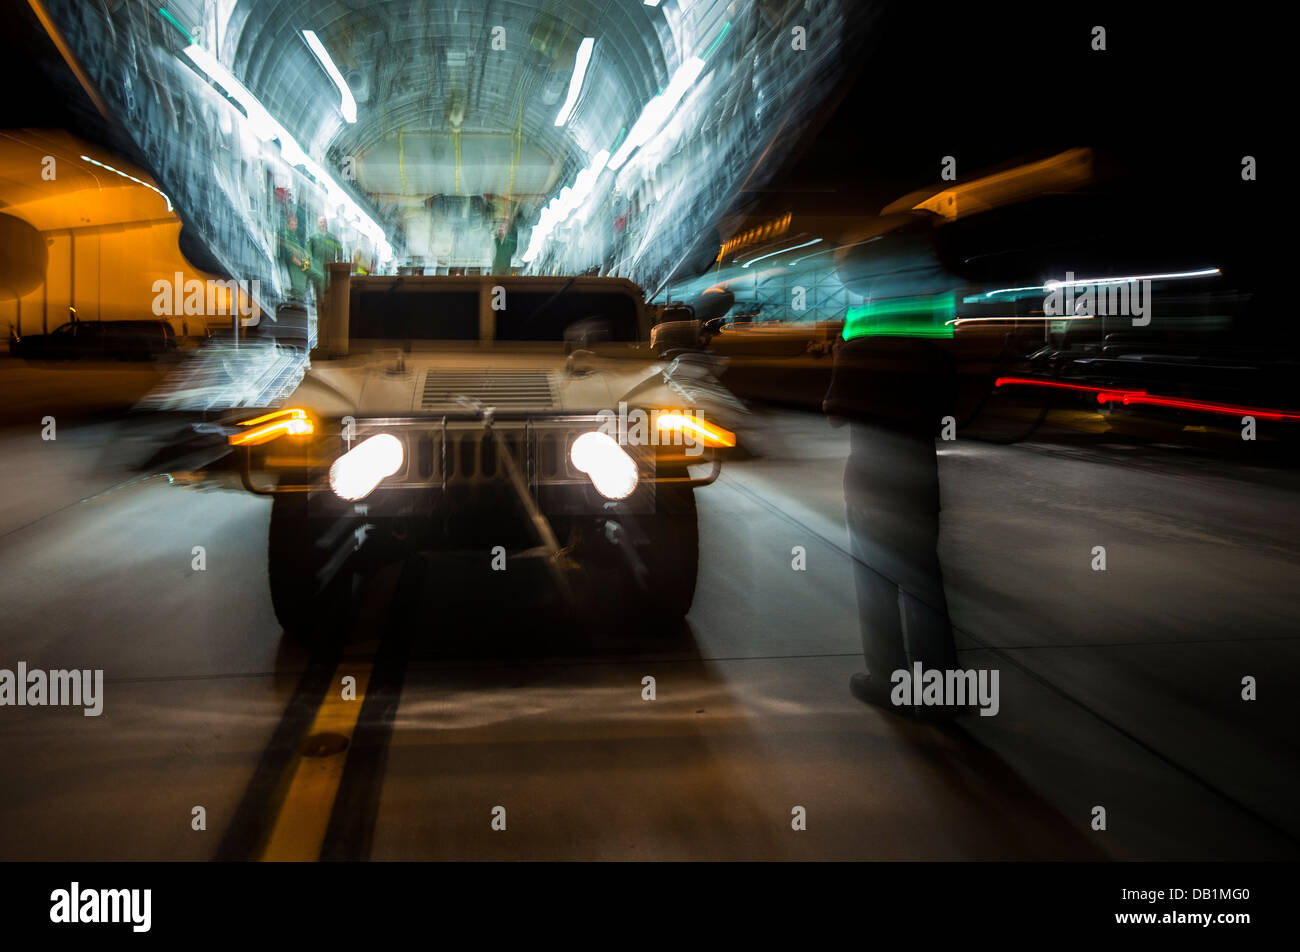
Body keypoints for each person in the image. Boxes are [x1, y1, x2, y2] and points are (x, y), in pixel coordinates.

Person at [823, 217, 965, 721]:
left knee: (875, 574)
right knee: (925, 576)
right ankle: (942, 689)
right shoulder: (935, 332)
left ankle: (888, 679)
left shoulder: (860, 333)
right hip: (919, 467)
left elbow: (836, 412)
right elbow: (953, 406)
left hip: (869, 466)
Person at [307, 215, 343, 306]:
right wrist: (310, 263)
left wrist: (339, 261)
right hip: (317, 265)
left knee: (329, 285)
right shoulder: (313, 237)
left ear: (326, 224)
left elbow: (339, 249)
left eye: (324, 222)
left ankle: (328, 305)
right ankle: (320, 305)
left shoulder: (332, 237)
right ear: (317, 224)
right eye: (320, 222)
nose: (322, 224)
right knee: (318, 286)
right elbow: (308, 251)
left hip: (329, 265)